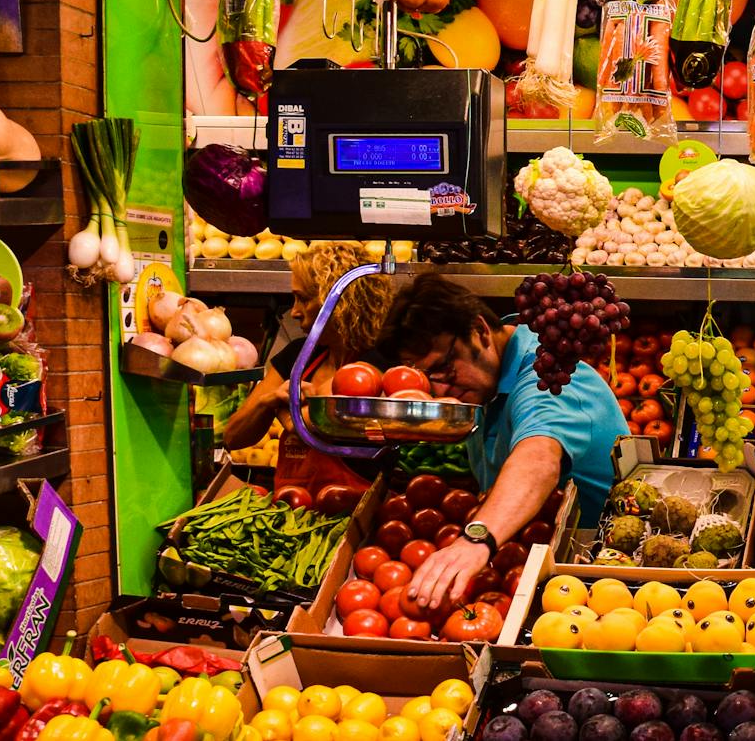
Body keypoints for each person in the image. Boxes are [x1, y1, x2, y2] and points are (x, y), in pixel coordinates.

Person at [374, 274, 623, 610]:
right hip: (529, 563)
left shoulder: (545, 377)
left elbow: (539, 458)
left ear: (479, 331)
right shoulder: (489, 376)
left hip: (596, 577)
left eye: (446, 368)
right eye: (429, 379)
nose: (442, 390)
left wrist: (476, 540)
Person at [222, 241, 394, 454]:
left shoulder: (376, 363)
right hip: (291, 487)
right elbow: (233, 437)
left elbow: (301, 426)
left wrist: (278, 406)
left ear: (340, 302)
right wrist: (269, 401)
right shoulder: (298, 354)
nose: (294, 312)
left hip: (354, 487)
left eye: (302, 299)